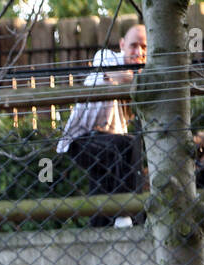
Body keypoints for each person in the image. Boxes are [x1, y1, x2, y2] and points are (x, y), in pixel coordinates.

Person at [57, 24, 148, 227]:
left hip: (110, 138)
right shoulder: (106, 57)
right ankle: (126, 215)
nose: (139, 52)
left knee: (104, 183)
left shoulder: (140, 74)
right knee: (126, 146)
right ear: (122, 44)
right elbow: (121, 77)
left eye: (144, 47)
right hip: (80, 138)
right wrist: (147, 77)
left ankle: (99, 228)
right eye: (134, 45)